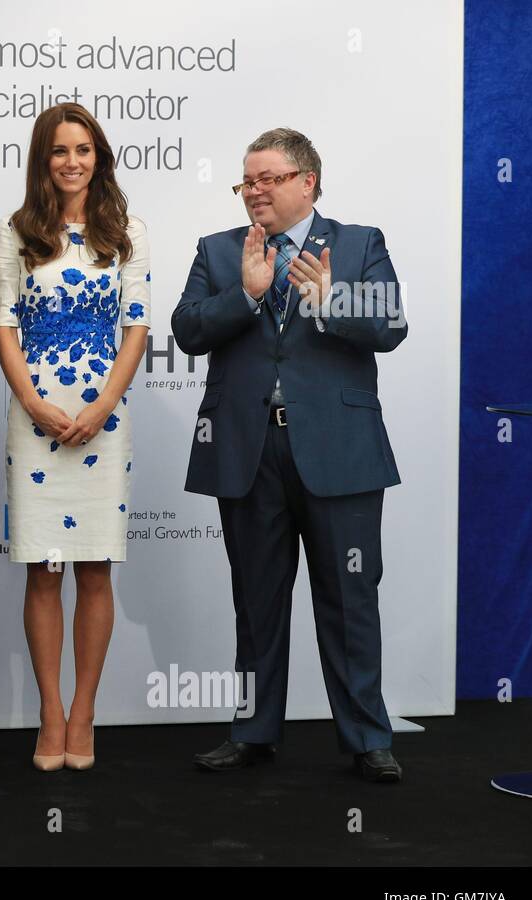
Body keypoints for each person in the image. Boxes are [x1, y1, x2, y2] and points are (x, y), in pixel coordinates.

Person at [172, 128, 408, 782]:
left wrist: (331, 301)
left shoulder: (360, 244)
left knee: (350, 598)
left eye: (267, 179)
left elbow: (390, 325)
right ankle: (253, 732)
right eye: (247, 181)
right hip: (248, 451)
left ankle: (366, 738)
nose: (254, 192)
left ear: (307, 181)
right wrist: (245, 294)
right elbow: (187, 331)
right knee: (257, 599)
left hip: (339, 452)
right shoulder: (220, 252)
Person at [0, 104, 150, 772]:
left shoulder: (127, 231)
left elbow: (137, 325)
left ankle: (84, 714)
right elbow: (2, 322)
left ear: (99, 156)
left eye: (84, 150)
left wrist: (105, 404)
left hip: (102, 424)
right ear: (43, 159)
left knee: (92, 568)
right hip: (36, 423)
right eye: (60, 151)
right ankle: (48, 715)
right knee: (43, 570)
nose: (73, 161)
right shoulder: (17, 233)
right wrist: (31, 402)